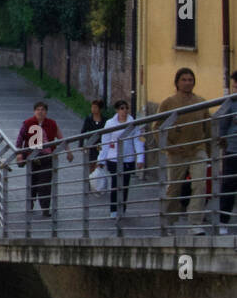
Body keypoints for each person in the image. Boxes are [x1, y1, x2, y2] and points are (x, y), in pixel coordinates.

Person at [154, 67, 213, 233]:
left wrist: (209, 152)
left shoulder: (201, 102)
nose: (188, 83)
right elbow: (157, 127)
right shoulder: (168, 102)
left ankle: (195, 222)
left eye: (190, 80)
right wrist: (169, 146)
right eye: (184, 80)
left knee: (200, 184)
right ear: (177, 83)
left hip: (198, 148)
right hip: (176, 151)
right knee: (174, 187)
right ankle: (169, 220)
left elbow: (207, 127)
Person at [14, 100, 74, 218]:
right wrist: (19, 154)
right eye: (38, 110)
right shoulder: (27, 123)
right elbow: (20, 139)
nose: (40, 112)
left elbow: (61, 138)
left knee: (45, 184)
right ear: (34, 111)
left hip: (47, 157)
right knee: (32, 181)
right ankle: (30, 204)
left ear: (46, 112)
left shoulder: (51, 123)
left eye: (43, 110)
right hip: (32, 157)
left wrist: (69, 152)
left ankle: (45, 208)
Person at [98, 99, 144, 219]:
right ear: (117, 110)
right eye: (121, 108)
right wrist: (101, 160)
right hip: (113, 158)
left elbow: (137, 141)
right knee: (115, 184)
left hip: (128, 158)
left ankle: (122, 208)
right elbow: (105, 141)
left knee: (124, 185)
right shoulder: (110, 123)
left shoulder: (133, 123)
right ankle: (113, 209)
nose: (124, 111)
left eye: (126, 108)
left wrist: (140, 158)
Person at [218, 70, 237, 232]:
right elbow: (221, 127)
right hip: (232, 151)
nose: (235, 88)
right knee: (228, 186)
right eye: (234, 86)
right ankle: (223, 220)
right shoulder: (230, 103)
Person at [80, 99, 107, 173]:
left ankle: (97, 181)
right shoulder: (89, 119)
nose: (93, 109)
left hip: (100, 145)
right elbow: (83, 131)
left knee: (99, 163)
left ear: (99, 109)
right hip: (91, 144)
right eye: (92, 107)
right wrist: (81, 145)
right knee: (91, 164)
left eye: (95, 107)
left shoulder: (104, 120)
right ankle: (90, 182)